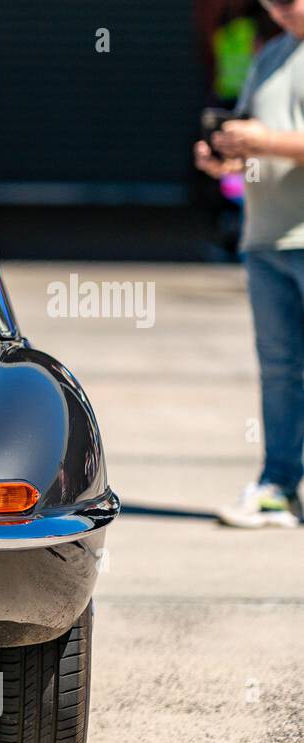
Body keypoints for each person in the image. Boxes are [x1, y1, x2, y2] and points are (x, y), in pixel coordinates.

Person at [196, 0, 304, 527]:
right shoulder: (270, 55)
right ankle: (277, 486)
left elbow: (271, 138)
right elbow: (250, 136)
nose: (278, 9)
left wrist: (267, 141)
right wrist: (227, 157)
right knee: (280, 371)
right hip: (265, 239)